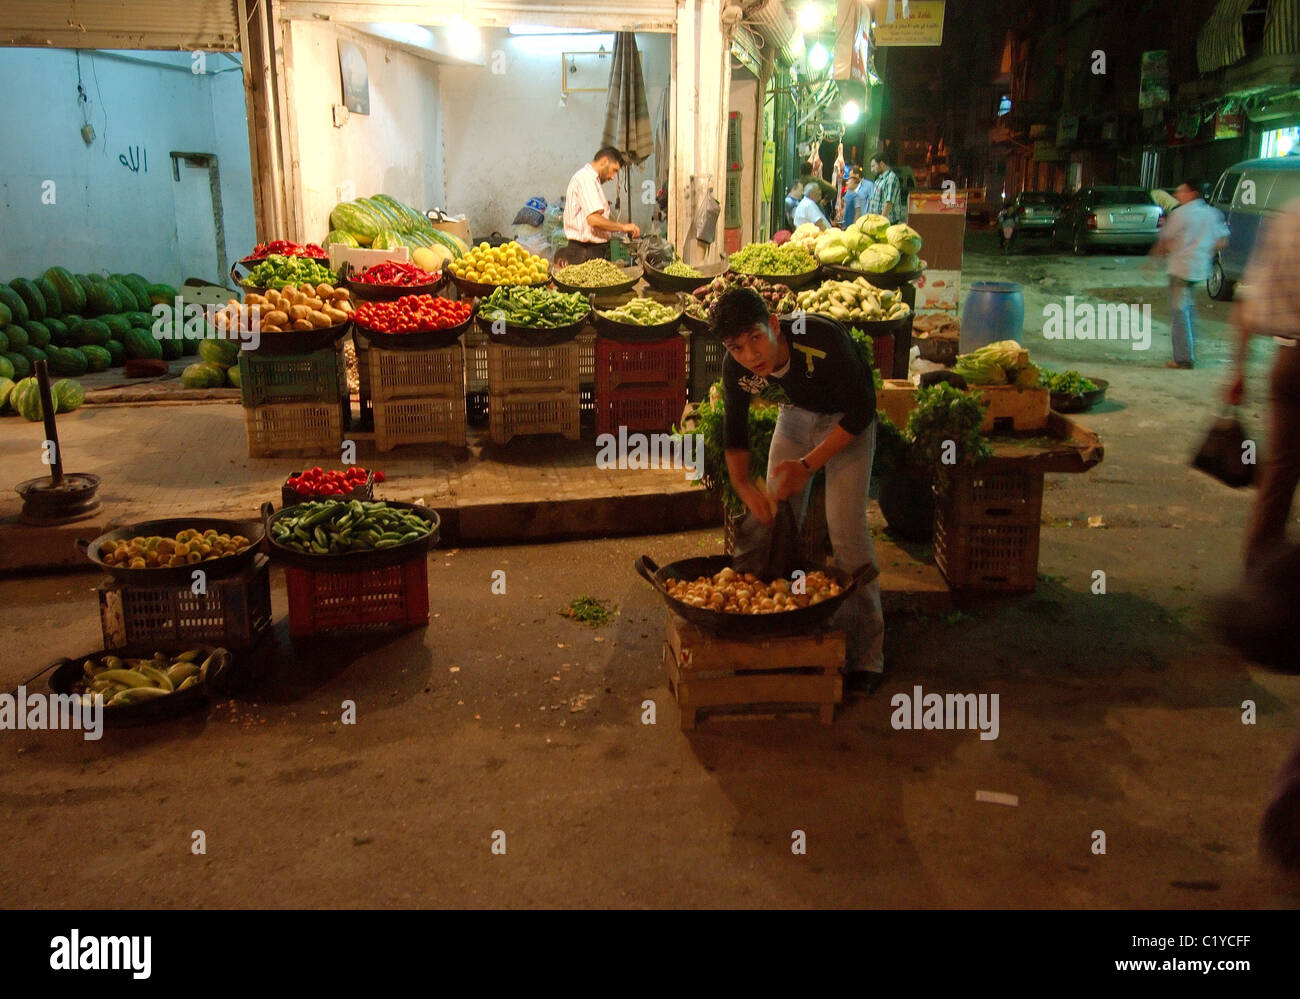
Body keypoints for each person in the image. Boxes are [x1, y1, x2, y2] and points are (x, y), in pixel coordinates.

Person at [711, 287, 886, 693]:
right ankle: (780, 630)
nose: (750, 355)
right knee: (772, 519)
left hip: (847, 422)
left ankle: (866, 656)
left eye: (756, 338)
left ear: (773, 324)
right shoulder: (736, 368)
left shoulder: (821, 337)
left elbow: (863, 410)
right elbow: (734, 430)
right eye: (737, 347)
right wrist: (744, 487)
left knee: (846, 533)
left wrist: (808, 466)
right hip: (796, 416)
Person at [1226, 199, 1300, 568]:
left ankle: (1258, 572)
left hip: (1288, 363)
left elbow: (1248, 298)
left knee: (1281, 472)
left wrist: (1237, 369)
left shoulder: (1288, 218)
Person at [1151, 178, 1228, 369]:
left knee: (1179, 313)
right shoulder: (1212, 214)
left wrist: (1154, 258)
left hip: (1181, 268)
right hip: (1199, 269)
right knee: (1187, 309)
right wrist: (1203, 252)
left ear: (1193, 194)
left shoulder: (1181, 214)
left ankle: (1184, 358)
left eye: (1181, 191)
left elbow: (1165, 240)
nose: (1177, 195)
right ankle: (1191, 349)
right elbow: (1222, 241)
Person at [561, 146, 640, 265]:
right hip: (585, 251)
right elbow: (594, 219)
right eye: (614, 170)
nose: (613, 177)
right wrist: (623, 227)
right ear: (604, 161)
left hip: (590, 250)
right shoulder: (586, 179)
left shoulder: (592, 180)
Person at [867, 153, 905, 225]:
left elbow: (888, 203)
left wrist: (881, 222)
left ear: (881, 164)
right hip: (876, 221)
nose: (872, 170)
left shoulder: (890, 179)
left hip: (887, 223)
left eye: (873, 166)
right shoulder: (879, 179)